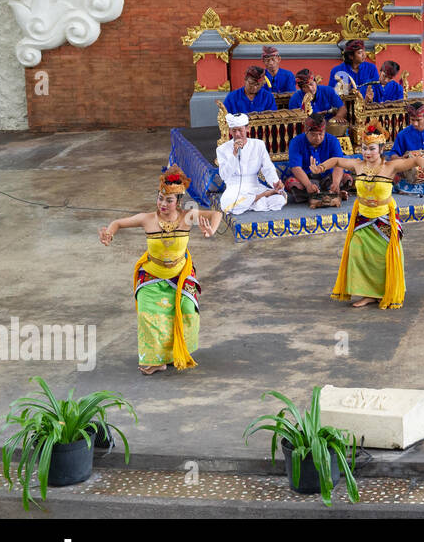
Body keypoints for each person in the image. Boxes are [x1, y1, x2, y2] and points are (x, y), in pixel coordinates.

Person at [98, 166, 221, 374]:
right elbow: (118, 223)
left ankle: (176, 353)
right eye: (160, 198)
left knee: (188, 311)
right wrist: (109, 233)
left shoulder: (188, 217)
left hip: (180, 274)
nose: (163, 204)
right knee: (148, 313)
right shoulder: (147, 219)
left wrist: (211, 230)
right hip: (152, 274)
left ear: (178, 202)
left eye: (169, 200)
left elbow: (215, 214)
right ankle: (154, 360)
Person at [312, 122, 424, 308]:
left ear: (381, 149)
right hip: (363, 218)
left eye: (371, 149)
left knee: (386, 256)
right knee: (357, 251)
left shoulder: (390, 166)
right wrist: (320, 168)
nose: (367, 153)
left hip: (383, 218)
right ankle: (369, 293)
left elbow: (413, 160)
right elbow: (337, 160)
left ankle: (384, 291)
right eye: (364, 148)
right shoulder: (358, 165)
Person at [216, 113, 286, 214]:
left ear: (247, 129)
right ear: (230, 131)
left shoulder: (258, 144)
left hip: (254, 186)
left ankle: (252, 201)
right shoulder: (222, 149)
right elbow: (224, 175)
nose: (237, 134)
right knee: (226, 204)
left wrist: (275, 183)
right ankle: (261, 197)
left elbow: (268, 168)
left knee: (280, 199)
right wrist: (234, 155)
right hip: (234, 189)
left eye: (240, 130)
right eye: (234, 130)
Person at [284, 113, 351, 203]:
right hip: (307, 178)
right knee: (291, 183)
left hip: (328, 177)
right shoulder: (296, 142)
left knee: (347, 178)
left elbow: (338, 164)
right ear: (306, 131)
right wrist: (308, 185)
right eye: (313, 135)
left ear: (325, 131)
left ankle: (329, 192)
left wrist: (335, 183)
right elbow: (296, 168)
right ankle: (329, 194)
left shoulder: (333, 141)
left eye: (320, 134)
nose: (318, 138)